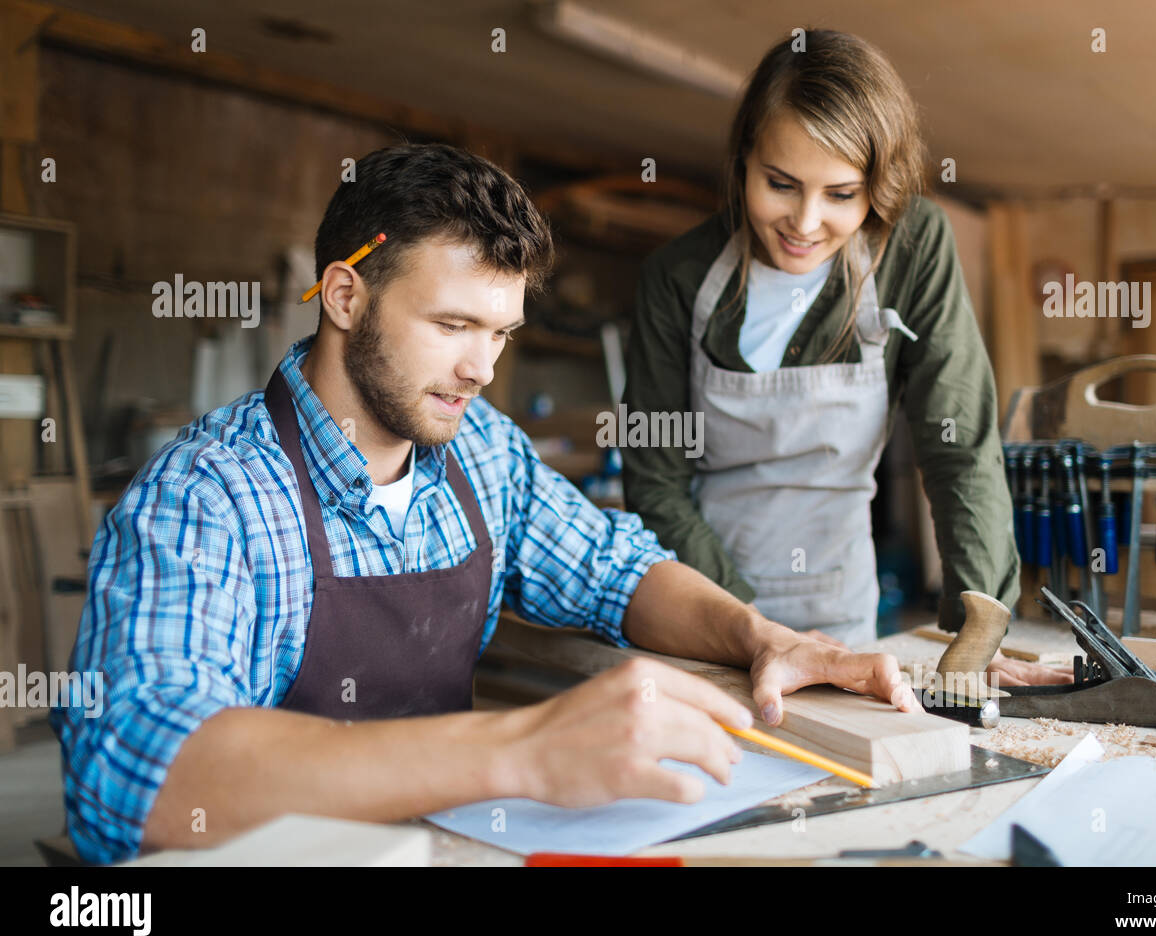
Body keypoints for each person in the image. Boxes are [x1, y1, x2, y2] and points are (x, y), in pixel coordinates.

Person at [52, 143, 919, 865]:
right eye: (453, 326)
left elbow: (615, 570)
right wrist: (521, 750)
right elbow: (149, 776)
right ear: (346, 296)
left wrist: (765, 638)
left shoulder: (482, 450)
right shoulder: (209, 496)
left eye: (500, 333)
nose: (483, 368)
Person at [623, 30, 1065, 685]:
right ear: (744, 158)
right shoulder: (677, 277)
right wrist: (750, 631)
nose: (805, 222)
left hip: (845, 610)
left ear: (876, 188)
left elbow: (959, 441)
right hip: (704, 612)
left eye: (841, 194)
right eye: (781, 183)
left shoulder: (912, 249)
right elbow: (654, 482)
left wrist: (979, 618)